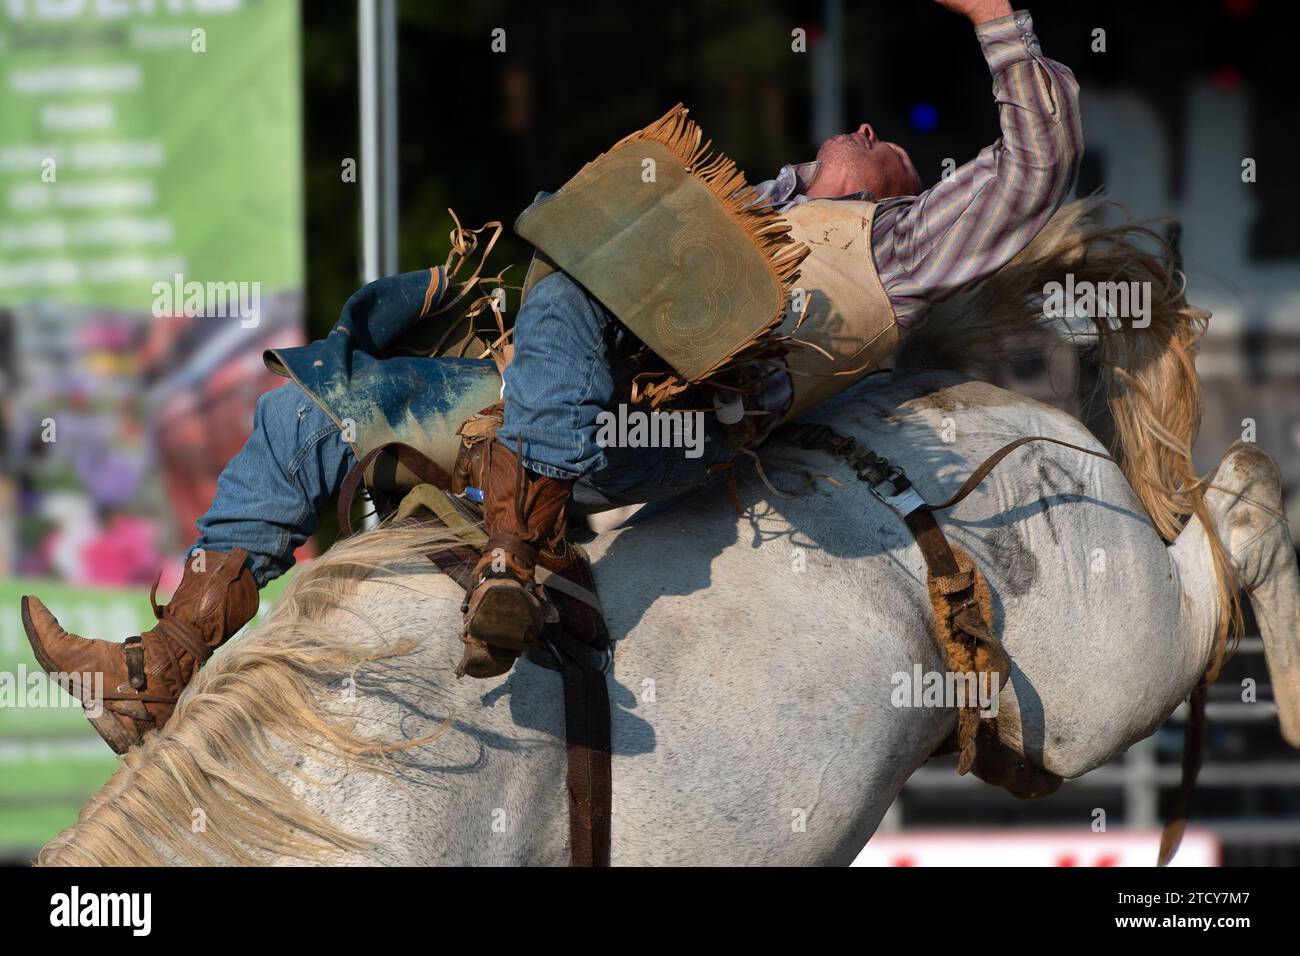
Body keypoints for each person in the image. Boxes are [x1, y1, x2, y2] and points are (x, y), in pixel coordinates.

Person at [21, 0, 1081, 753]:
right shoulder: (757, 197)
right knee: (301, 412)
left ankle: (515, 567)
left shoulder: (901, 248)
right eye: (860, 125)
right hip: (549, 395)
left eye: (883, 138)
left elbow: (1035, 163)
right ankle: (154, 671)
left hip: (671, 424)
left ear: (902, 189)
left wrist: (994, 15)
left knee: (574, 271)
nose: (862, 127)